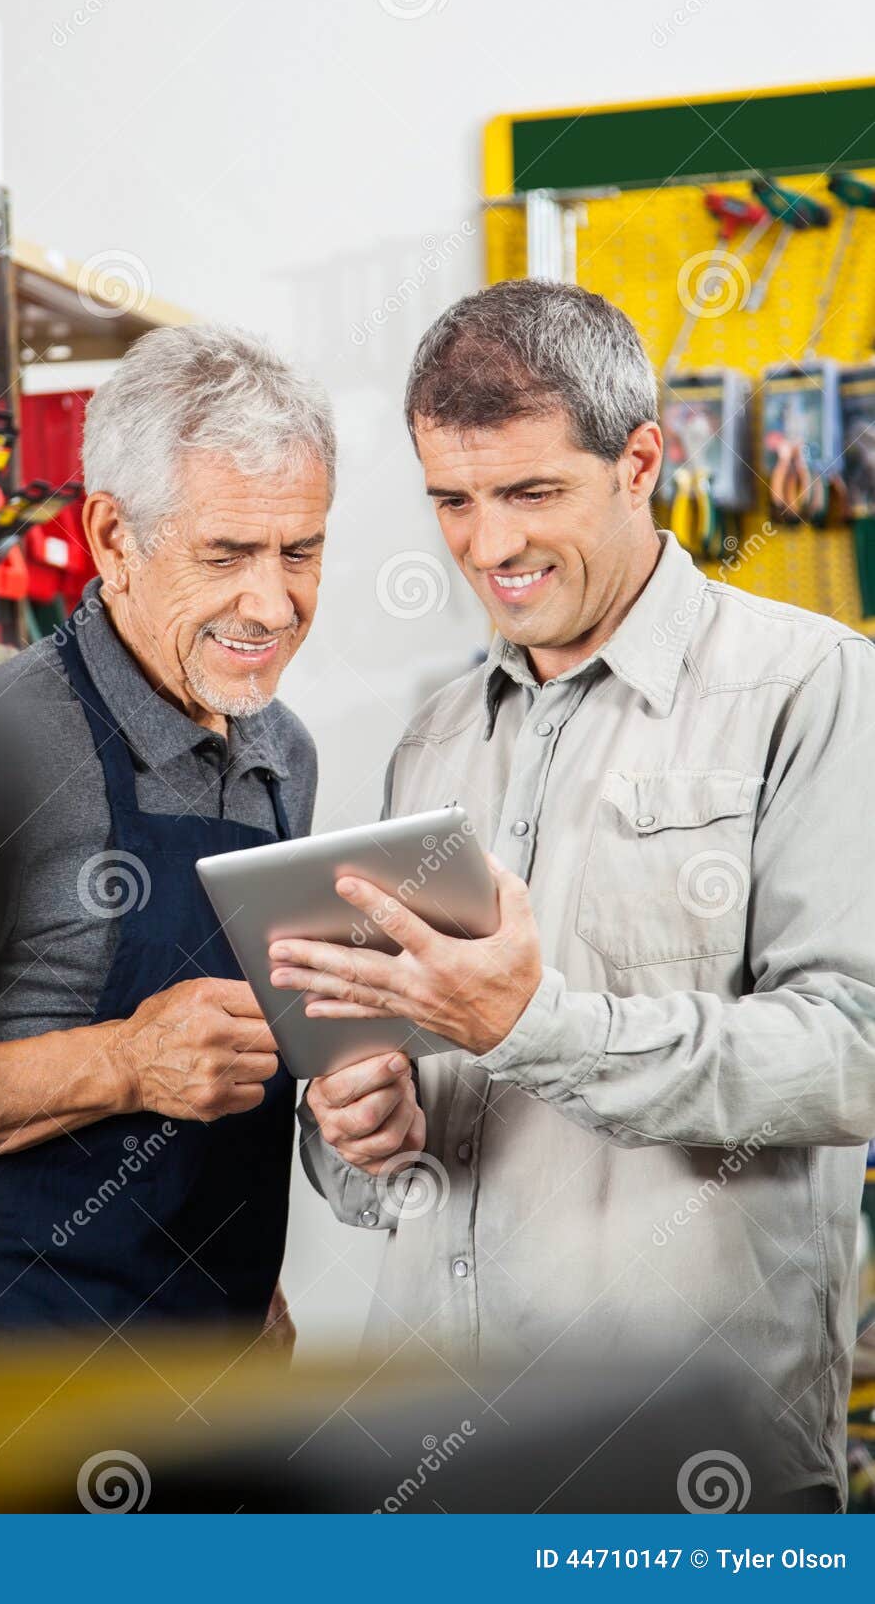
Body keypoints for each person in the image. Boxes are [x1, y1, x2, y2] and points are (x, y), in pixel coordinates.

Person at [278, 280, 875, 1508]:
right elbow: (399, 1131)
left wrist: (532, 1026)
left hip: (683, 1474)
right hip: (435, 1457)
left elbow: (851, 1051)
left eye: (530, 493)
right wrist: (351, 1124)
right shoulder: (434, 737)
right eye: (452, 499)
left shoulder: (812, 688)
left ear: (640, 460)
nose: (487, 546)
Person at [0, 325, 333, 1342]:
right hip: (7, 1390)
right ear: (112, 538)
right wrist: (124, 1060)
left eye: (300, 551)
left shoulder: (286, 755)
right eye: (226, 554)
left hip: (215, 1377)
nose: (273, 603)